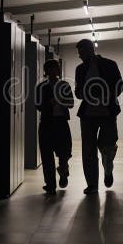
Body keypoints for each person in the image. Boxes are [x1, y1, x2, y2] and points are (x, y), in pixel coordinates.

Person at [74, 39, 123, 195]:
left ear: (89, 50)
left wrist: (109, 94)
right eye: (79, 53)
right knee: (88, 150)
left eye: (81, 52)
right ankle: (92, 185)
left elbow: (120, 85)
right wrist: (83, 92)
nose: (79, 56)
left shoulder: (110, 64)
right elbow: (78, 92)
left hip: (107, 111)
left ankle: (108, 167)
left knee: (108, 145)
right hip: (88, 113)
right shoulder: (80, 69)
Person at [35, 59, 74, 195]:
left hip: (61, 122)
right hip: (46, 123)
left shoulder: (64, 85)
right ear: (46, 71)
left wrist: (62, 102)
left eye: (55, 68)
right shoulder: (41, 87)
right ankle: (50, 184)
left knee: (64, 153)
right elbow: (37, 105)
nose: (53, 71)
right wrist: (48, 104)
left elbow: (71, 103)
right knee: (46, 156)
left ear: (58, 70)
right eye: (50, 69)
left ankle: (63, 172)